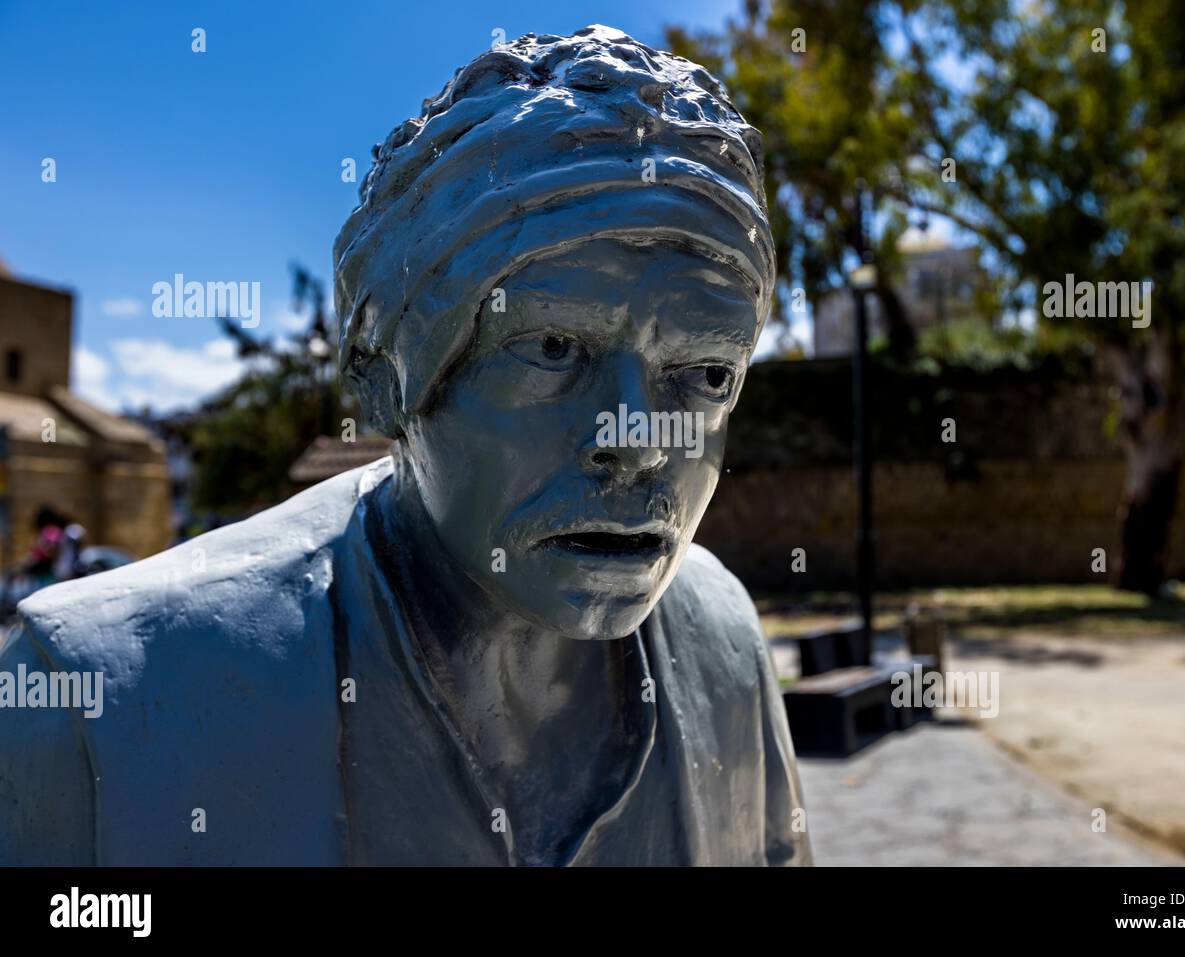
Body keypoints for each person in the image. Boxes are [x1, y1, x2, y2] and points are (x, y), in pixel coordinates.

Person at [0, 25, 811, 866]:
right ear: (387, 375)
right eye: (552, 349)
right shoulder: (95, 709)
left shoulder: (723, 648)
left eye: (707, 372)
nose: (638, 440)